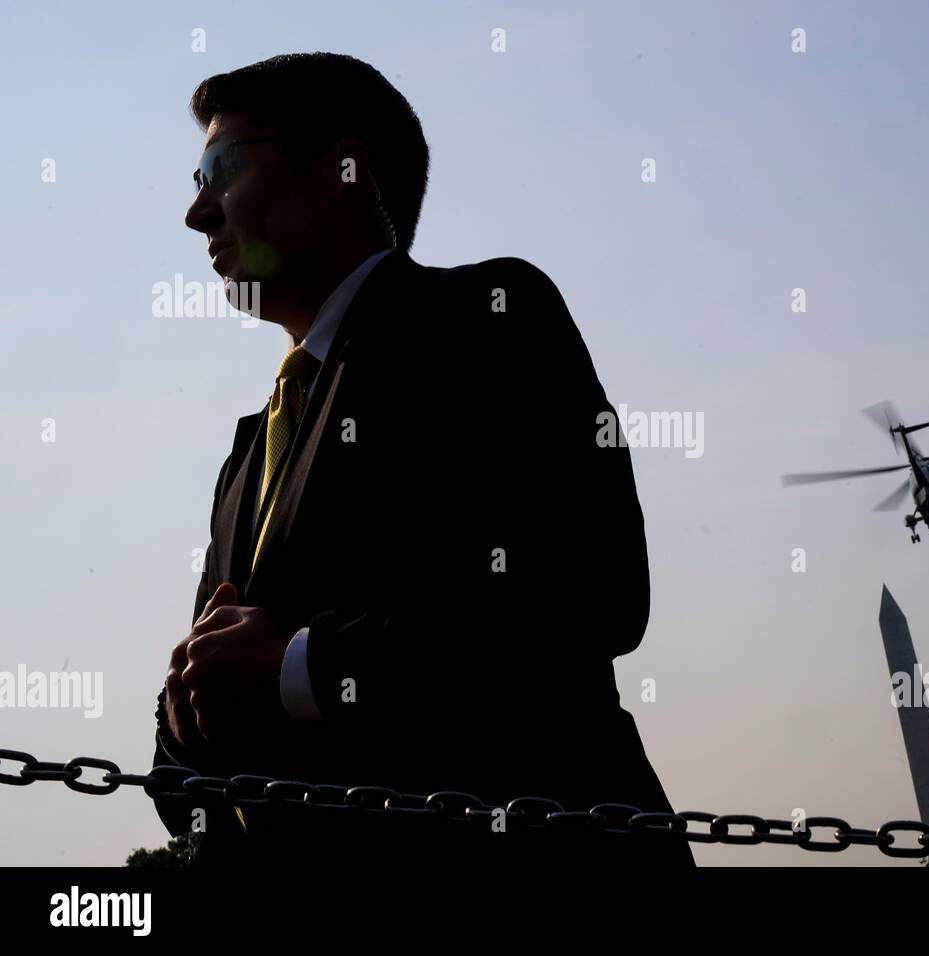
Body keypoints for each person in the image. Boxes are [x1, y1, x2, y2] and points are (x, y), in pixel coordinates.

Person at [150, 52, 694, 868]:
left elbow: (593, 590)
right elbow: (182, 761)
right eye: (197, 174)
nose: (198, 211)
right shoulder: (247, 452)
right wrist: (191, 715)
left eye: (222, 167)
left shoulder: (487, 316)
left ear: (343, 170)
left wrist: (297, 666)